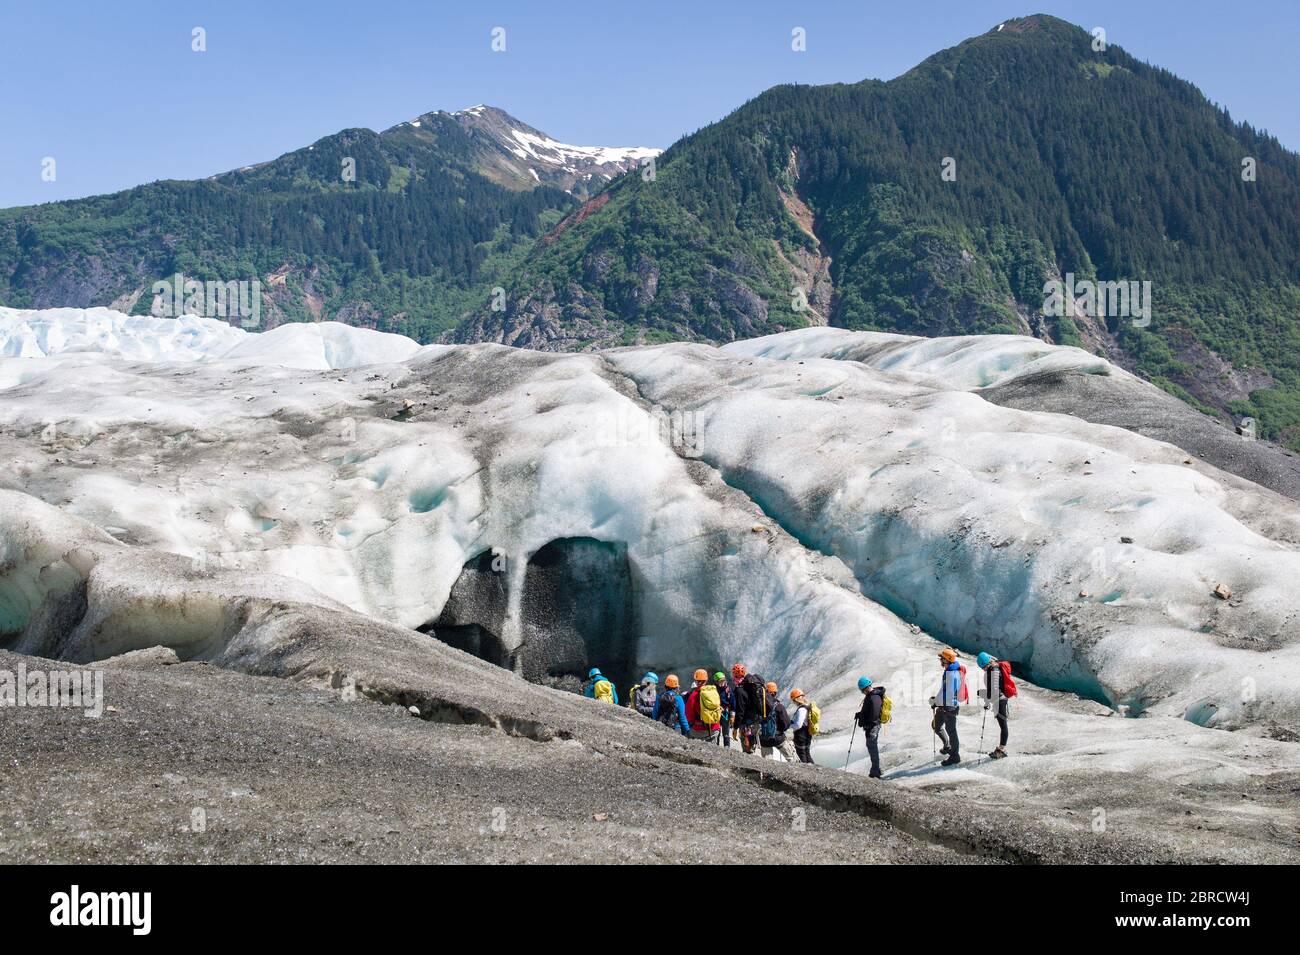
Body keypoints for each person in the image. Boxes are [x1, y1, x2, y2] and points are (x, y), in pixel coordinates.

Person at [930, 649, 964, 765]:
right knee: (936, 725)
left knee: (951, 731)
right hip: (945, 705)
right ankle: (947, 746)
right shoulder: (950, 671)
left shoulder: (952, 674)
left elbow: (948, 694)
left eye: (942, 658)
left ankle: (955, 756)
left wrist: (937, 702)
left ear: (947, 660)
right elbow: (945, 691)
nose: (940, 660)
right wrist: (937, 700)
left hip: (949, 707)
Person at [977, 652, 1011, 759]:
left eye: (984, 666)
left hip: (999, 700)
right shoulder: (993, 669)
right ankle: (1001, 748)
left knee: (1003, 725)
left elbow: (994, 690)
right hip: (999, 699)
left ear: (988, 662)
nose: (984, 669)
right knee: (1002, 725)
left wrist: (986, 696)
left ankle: (1002, 750)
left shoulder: (994, 671)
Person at [731, 663, 769, 754]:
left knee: (747, 751)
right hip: (755, 721)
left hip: (746, 725)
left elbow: (740, 711)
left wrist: (735, 728)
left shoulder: (739, 690)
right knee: (752, 744)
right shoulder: (752, 684)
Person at [854, 677, 886, 778]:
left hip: (872, 726)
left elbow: (874, 714)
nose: (862, 692)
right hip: (872, 725)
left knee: (872, 747)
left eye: (862, 690)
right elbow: (869, 711)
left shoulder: (874, 697)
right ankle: (876, 770)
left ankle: (875, 772)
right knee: (872, 747)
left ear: (866, 687)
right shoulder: (872, 696)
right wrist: (860, 714)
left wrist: (866, 723)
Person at [759, 681, 797, 762]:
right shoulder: (779, 706)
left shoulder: (759, 705)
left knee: (767, 761)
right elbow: (786, 723)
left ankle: (767, 774)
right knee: (790, 757)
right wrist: (781, 730)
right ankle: (793, 772)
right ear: (775, 693)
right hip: (778, 737)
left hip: (764, 738)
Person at [685, 669, 723, 743]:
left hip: (698, 730)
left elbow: (688, 714)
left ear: (696, 681)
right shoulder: (713, 691)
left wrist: (692, 724)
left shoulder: (693, 695)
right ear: (706, 680)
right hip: (714, 728)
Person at [789, 688, 816, 764]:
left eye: (793, 700)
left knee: (802, 755)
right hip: (807, 734)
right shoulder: (807, 707)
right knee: (807, 753)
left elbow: (798, 725)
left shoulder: (801, 709)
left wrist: (790, 725)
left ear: (796, 699)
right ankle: (813, 771)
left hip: (801, 736)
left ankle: (806, 773)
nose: (793, 702)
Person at [713, 672, 734, 747]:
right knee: (717, 733)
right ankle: (716, 747)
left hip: (725, 714)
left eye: (723, 680)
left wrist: (732, 716)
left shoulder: (728, 690)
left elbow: (732, 703)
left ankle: (727, 748)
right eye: (720, 681)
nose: (722, 683)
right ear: (716, 682)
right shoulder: (713, 690)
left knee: (726, 734)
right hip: (716, 714)